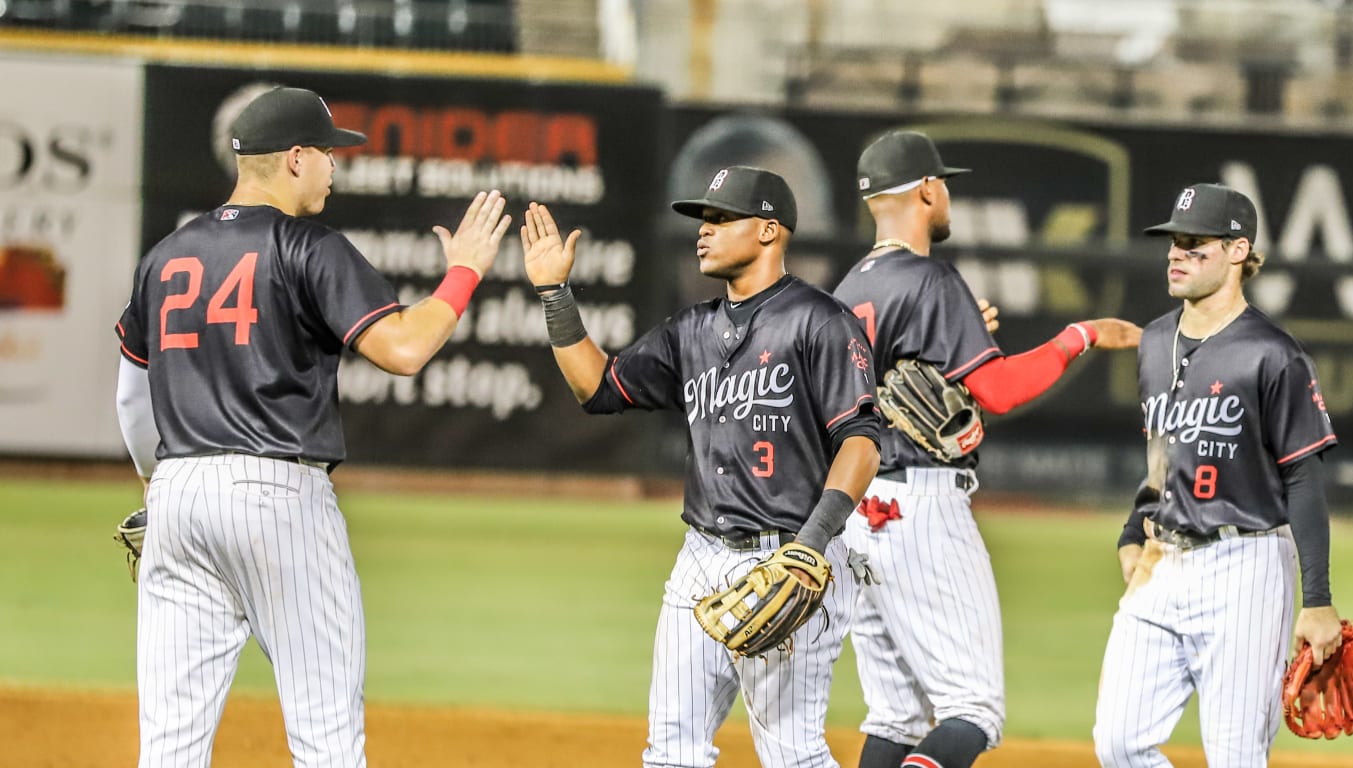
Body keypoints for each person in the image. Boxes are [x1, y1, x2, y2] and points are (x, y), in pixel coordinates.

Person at [113, 86, 512, 767]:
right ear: (295, 159)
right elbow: (405, 349)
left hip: (177, 495)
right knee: (326, 735)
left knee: (170, 742)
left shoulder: (166, 254)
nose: (335, 166)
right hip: (276, 494)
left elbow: (131, 397)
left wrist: (157, 481)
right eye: (328, 153)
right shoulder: (308, 246)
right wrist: (464, 274)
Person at [521, 165, 882, 768]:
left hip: (792, 555)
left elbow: (863, 442)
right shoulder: (690, 329)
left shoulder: (820, 321)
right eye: (702, 220)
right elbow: (598, 388)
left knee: (793, 755)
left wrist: (812, 546)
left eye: (720, 219)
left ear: (769, 231)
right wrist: (555, 296)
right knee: (670, 753)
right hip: (700, 557)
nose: (703, 231)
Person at [831, 130, 1142, 768]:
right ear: (925, 189)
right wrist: (1076, 336)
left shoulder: (848, 288)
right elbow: (998, 390)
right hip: (920, 509)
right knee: (973, 709)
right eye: (942, 182)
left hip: (855, 512)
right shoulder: (930, 282)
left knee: (897, 713)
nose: (946, 192)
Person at [1093, 183, 1343, 767]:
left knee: (1234, 756)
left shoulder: (1274, 352)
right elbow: (1165, 454)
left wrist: (1319, 599)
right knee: (1120, 743)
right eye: (1173, 243)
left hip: (1246, 568)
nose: (1176, 254)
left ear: (1238, 251)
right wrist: (1134, 530)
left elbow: (1304, 478)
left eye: (1195, 244)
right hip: (1164, 562)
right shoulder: (1155, 340)